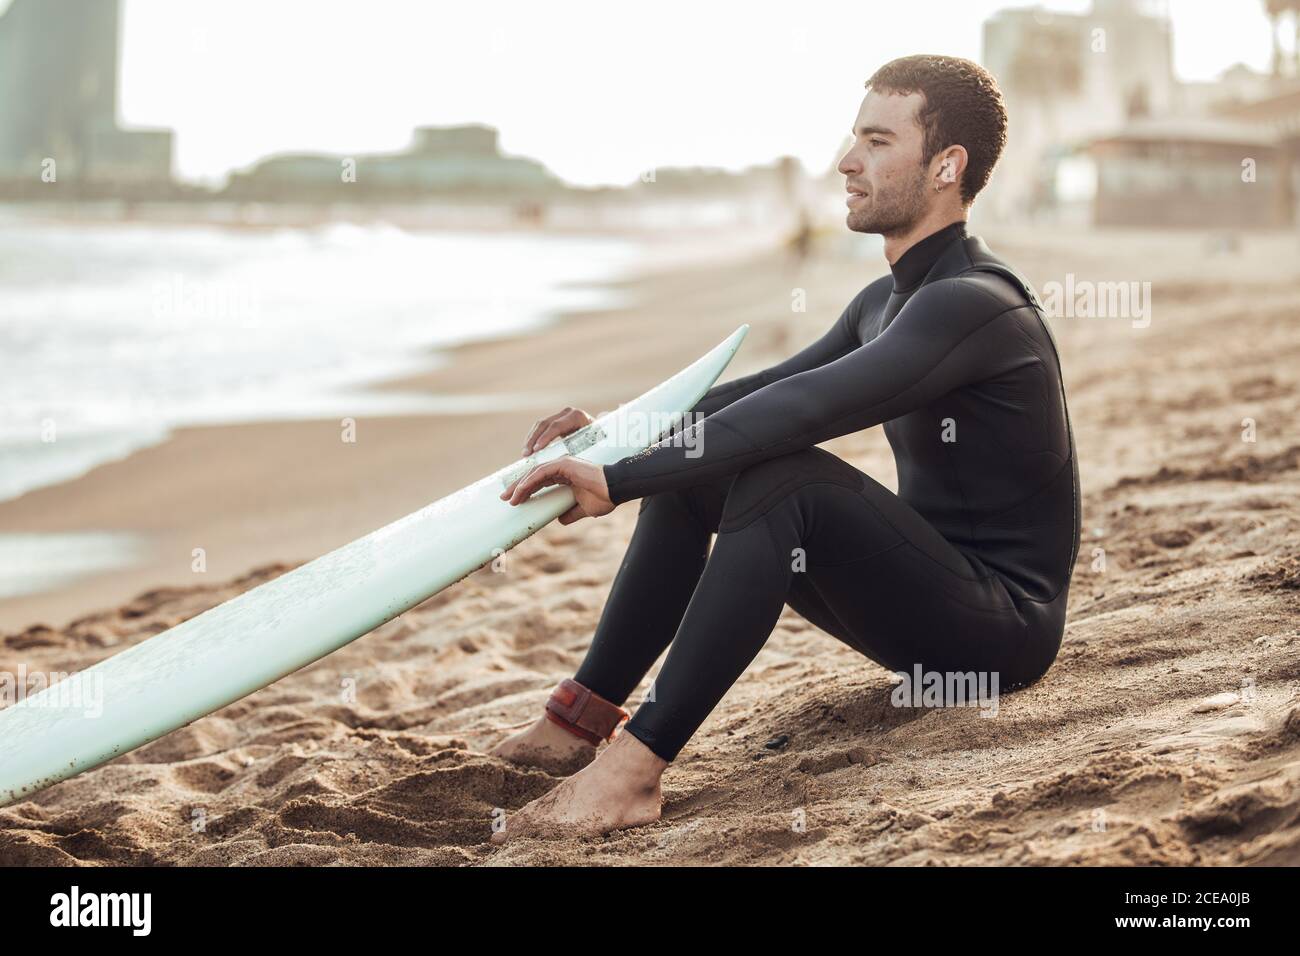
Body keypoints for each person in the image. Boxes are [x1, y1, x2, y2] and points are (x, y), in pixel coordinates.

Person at [489, 54, 1080, 842]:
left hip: (1001, 635)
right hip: (930, 605)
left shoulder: (973, 306)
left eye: (876, 141)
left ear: (947, 166)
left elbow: (803, 411)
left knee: (784, 479)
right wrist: (615, 436)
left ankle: (632, 776)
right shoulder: (887, 300)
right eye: (852, 138)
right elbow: (757, 396)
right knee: (707, 461)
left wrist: (617, 481)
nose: (846, 160)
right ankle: (579, 719)